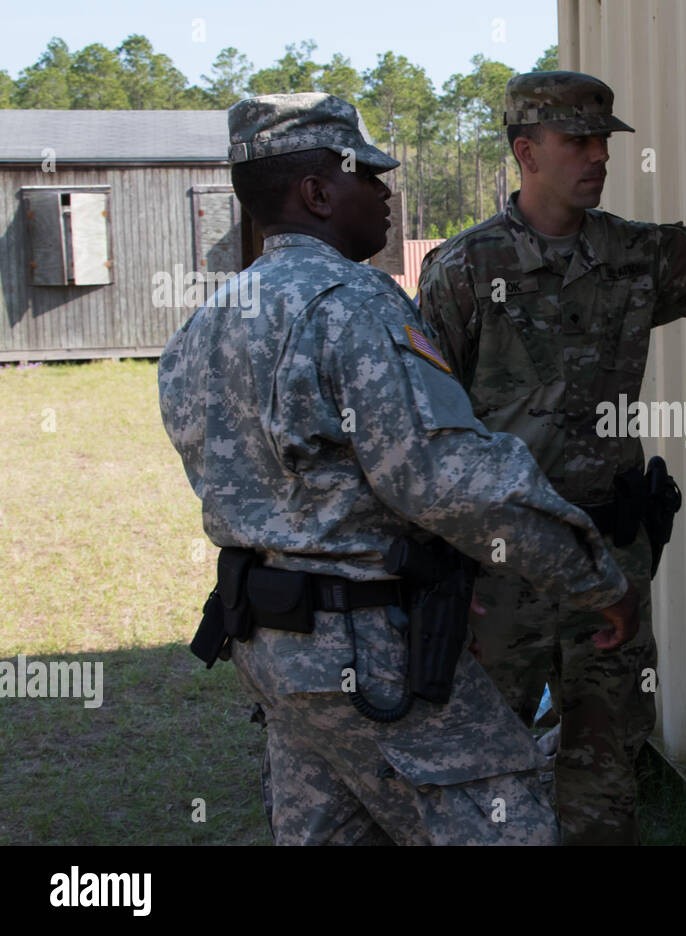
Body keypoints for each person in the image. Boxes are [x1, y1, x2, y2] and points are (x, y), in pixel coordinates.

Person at [158, 92, 640, 846]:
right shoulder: (353, 304)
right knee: (507, 823)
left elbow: (295, 483)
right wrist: (592, 577)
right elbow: (444, 476)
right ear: (318, 194)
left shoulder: (211, 317)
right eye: (369, 178)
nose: (386, 193)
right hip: (369, 653)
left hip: (273, 645)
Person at [419, 70, 686, 844]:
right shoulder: (465, 271)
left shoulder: (633, 255)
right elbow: (431, 429)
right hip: (505, 569)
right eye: (578, 141)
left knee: (605, 763)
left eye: (604, 140)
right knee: (485, 767)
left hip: (608, 561)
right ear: (527, 151)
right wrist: (445, 567)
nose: (599, 155)